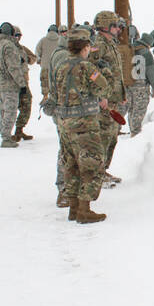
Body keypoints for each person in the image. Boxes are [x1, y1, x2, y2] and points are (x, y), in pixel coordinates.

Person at [51, 32, 110, 223]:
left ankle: (74, 207)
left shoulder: (60, 66)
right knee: (93, 162)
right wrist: (104, 72)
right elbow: (103, 87)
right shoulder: (86, 67)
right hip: (84, 122)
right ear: (85, 48)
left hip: (64, 122)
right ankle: (85, 209)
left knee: (72, 164)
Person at [90, 11, 128, 185]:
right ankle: (97, 174)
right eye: (114, 26)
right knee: (103, 136)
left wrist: (121, 95)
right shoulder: (99, 44)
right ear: (106, 27)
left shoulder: (110, 44)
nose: (118, 29)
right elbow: (92, 71)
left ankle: (103, 170)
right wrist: (101, 96)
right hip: (104, 101)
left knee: (112, 136)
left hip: (112, 99)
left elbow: (115, 72)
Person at [0, 23, 25, 148]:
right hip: (10, 83)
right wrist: (22, 84)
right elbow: (13, 67)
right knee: (11, 111)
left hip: (0, 81)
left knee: (3, 110)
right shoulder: (9, 46)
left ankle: (4, 134)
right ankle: (6, 138)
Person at [128, 29, 154, 136]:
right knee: (139, 108)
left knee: (131, 108)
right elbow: (151, 71)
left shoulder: (130, 48)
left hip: (128, 83)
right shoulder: (146, 52)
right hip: (141, 84)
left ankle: (132, 128)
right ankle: (135, 132)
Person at [13, 27, 36, 142]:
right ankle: (8, 133)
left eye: (19, 36)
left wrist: (26, 58)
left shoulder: (22, 49)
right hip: (11, 83)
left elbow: (33, 58)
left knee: (26, 105)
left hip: (23, 82)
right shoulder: (7, 48)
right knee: (10, 108)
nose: (17, 38)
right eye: (15, 35)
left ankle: (19, 130)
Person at [36, 24, 62, 105]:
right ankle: (56, 99)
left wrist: (39, 60)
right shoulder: (60, 40)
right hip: (57, 66)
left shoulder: (43, 40)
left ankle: (45, 97)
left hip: (45, 66)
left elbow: (37, 51)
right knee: (57, 83)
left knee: (44, 82)